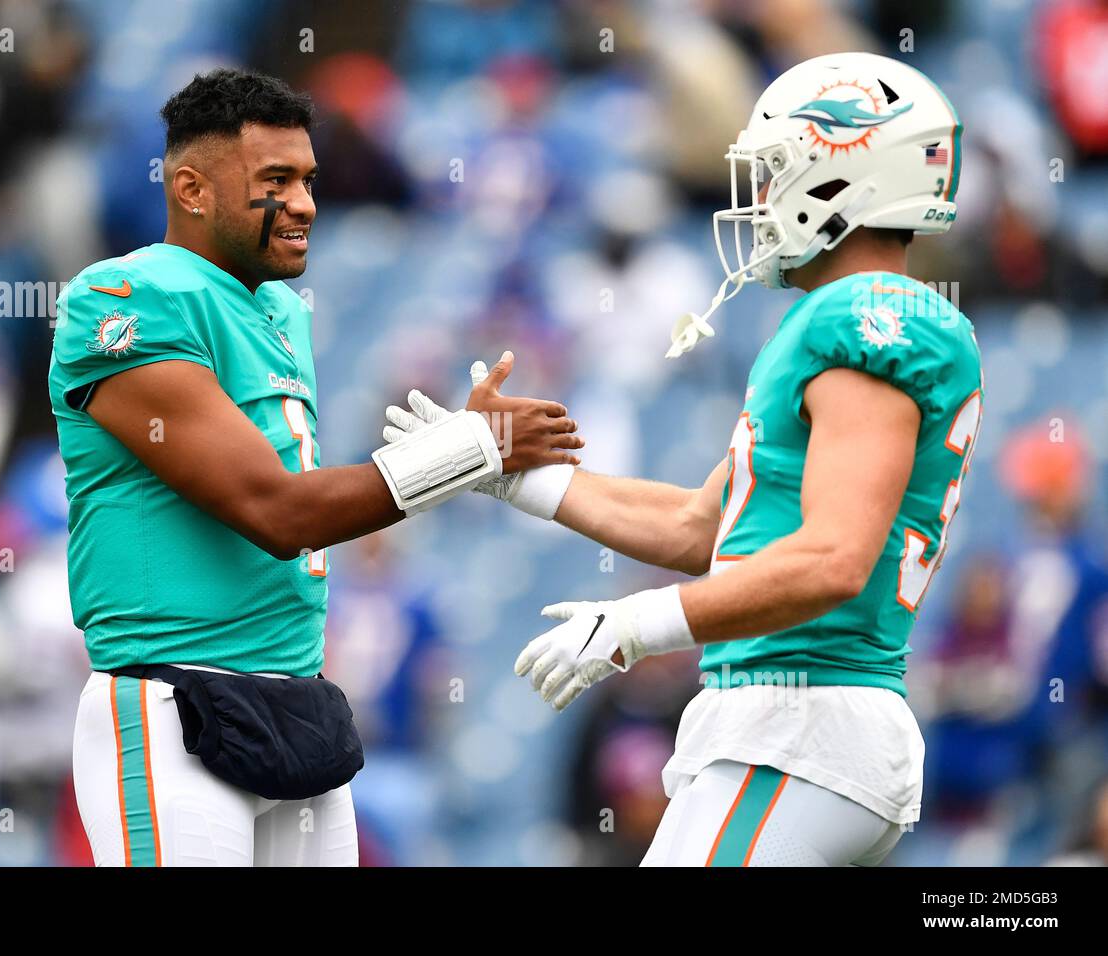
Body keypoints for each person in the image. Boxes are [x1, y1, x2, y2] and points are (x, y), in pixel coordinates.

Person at [387, 52, 981, 866]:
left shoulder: (865, 314)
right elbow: (706, 525)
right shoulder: (840, 319)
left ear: (846, 179)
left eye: (779, 170)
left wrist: (640, 625)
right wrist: (517, 475)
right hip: (793, 725)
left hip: (800, 723)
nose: (763, 197)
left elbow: (837, 558)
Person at [50, 69, 582, 867]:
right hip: (172, 699)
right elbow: (276, 512)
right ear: (191, 189)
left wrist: (464, 453)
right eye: (277, 181)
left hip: (296, 698)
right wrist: (471, 449)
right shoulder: (127, 295)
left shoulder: (280, 309)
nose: (303, 202)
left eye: (307, 179)